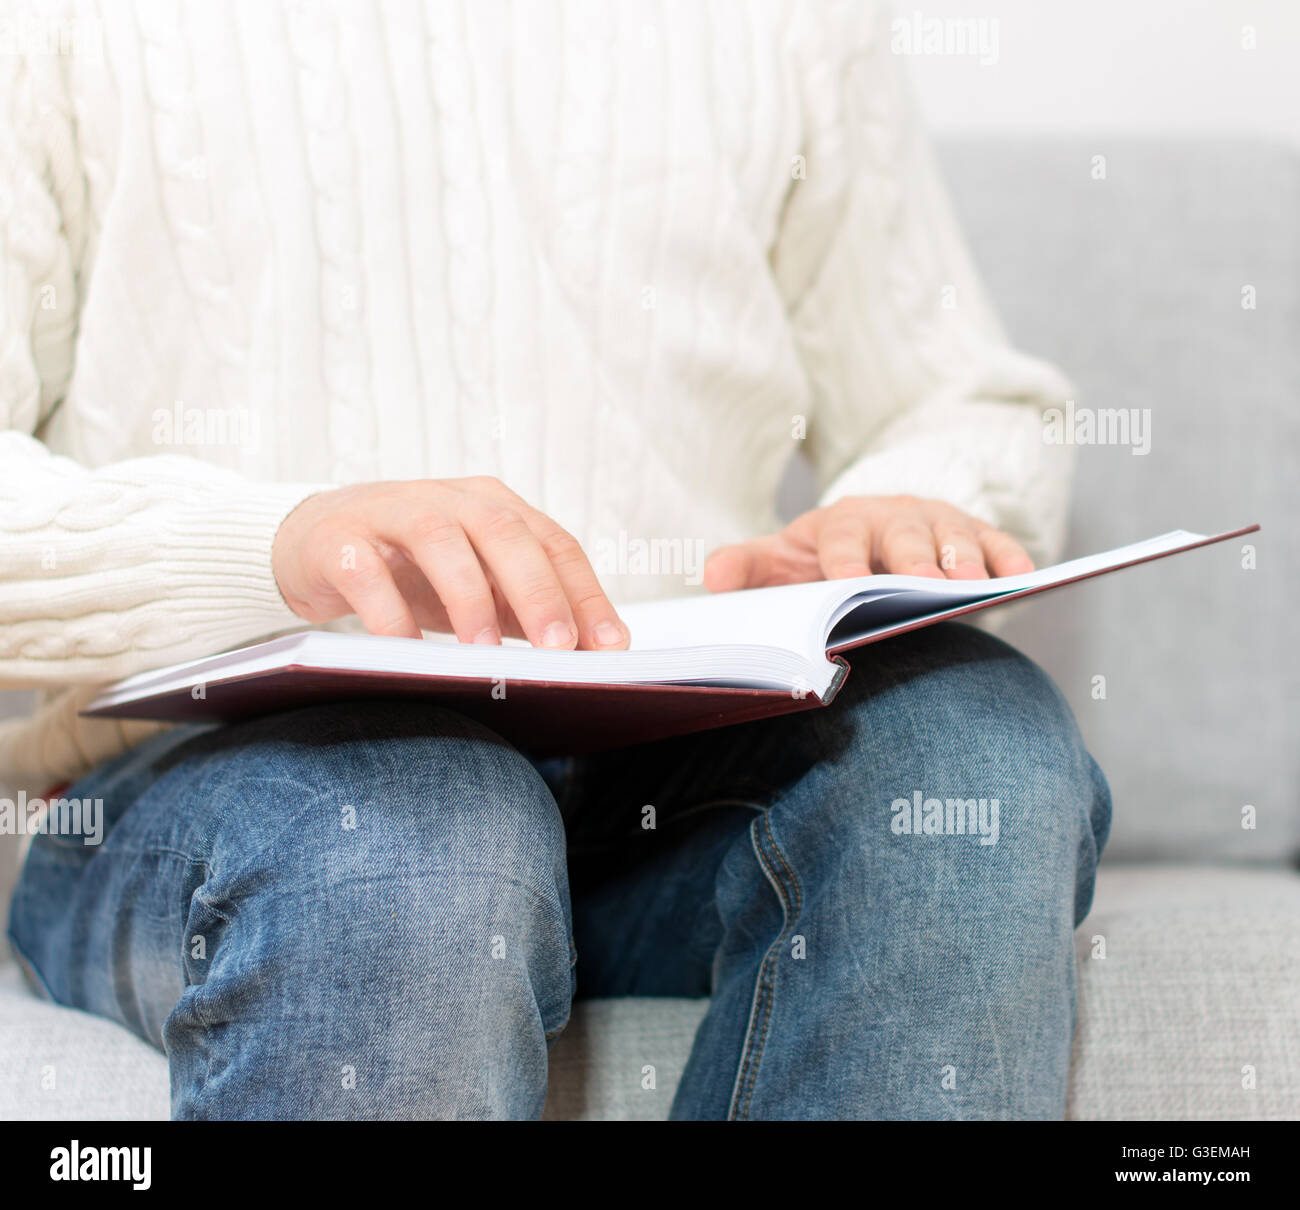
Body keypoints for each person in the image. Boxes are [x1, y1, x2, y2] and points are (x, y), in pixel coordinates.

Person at [0, 0, 1109, 1120]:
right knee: (422, 832)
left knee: (978, 741)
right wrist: (273, 546)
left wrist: (908, 508)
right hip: (211, 786)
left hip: (674, 762)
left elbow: (956, 393)